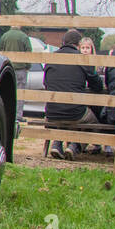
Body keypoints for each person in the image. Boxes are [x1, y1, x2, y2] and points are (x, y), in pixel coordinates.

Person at [45, 28, 105, 160]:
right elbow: (97, 85)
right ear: (78, 45)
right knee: (93, 123)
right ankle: (74, 146)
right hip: (75, 112)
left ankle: (56, 144)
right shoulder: (82, 59)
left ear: (63, 42)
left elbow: (46, 83)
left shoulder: (51, 58)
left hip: (52, 112)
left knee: (65, 116)